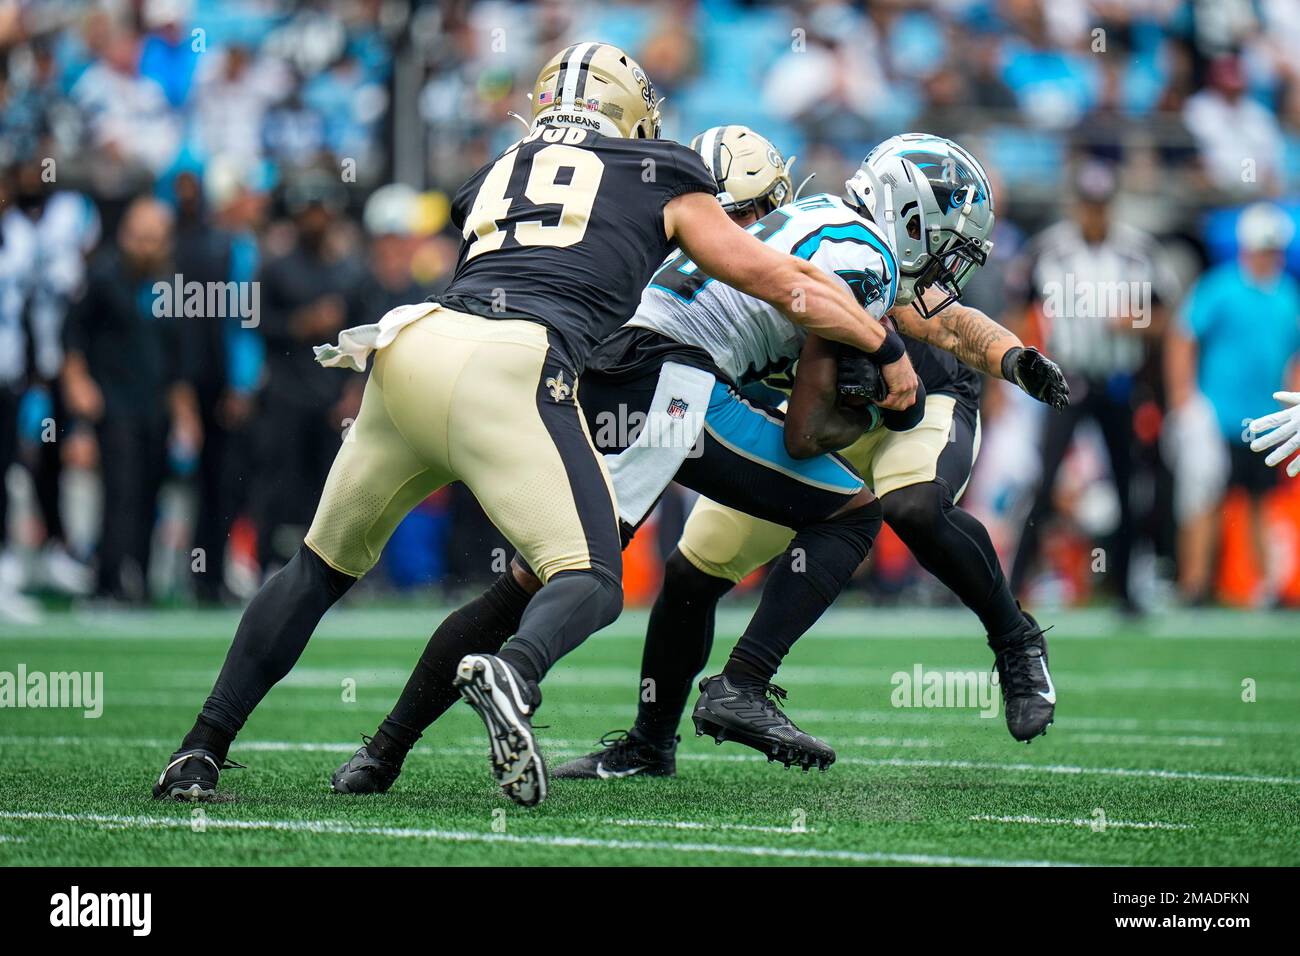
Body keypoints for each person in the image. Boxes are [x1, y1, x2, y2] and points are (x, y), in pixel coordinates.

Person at [153, 43, 917, 808]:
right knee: (588, 579)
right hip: (520, 364)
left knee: (316, 569)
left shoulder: (498, 170)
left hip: (412, 342)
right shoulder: (669, 174)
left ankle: (201, 751)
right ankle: (516, 673)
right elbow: (780, 279)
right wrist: (884, 347)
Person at [330, 131, 1065, 794]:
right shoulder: (862, 256)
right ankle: (720, 684)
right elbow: (808, 431)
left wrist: (1006, 360)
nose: (949, 259)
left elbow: (945, 324)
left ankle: (386, 751)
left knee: (545, 574)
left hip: (606, 365)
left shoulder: (801, 223)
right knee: (847, 514)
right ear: (911, 218)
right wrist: (881, 398)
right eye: (945, 237)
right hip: (671, 386)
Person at [1009, 161, 1173, 614]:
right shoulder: (1049, 249)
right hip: (1066, 378)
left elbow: (1164, 319)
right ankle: (1016, 582)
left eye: (1101, 205)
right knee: (1044, 482)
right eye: (1088, 204)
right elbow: (1021, 311)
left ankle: (1124, 589)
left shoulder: (1138, 252)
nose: (1094, 214)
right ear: (1077, 204)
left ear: (1110, 205)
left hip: (1119, 381)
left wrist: (1134, 322)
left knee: (1126, 484)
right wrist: (1029, 365)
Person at [1168, 203, 1300, 604]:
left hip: (1266, 417)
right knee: (1204, 500)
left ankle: (1266, 588)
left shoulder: (1286, 296)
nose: (1268, 256)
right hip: (1214, 414)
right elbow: (1183, 336)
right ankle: (1194, 584)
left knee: (1262, 501)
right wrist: (1182, 397)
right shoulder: (1221, 286)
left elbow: (1294, 358)